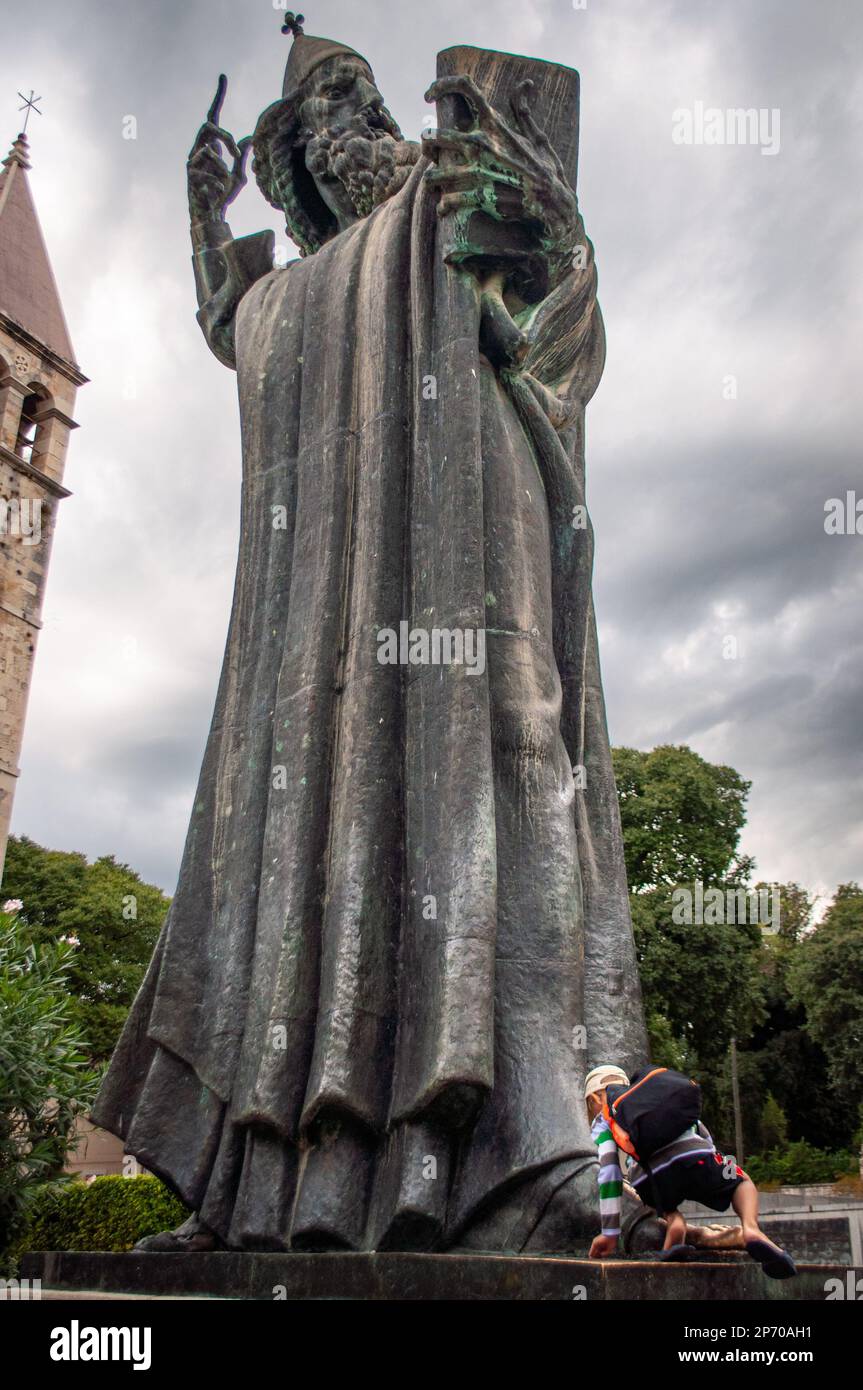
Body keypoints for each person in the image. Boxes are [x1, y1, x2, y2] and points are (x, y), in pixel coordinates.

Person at [584, 1064, 797, 1279]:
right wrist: (711, 1158)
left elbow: (609, 1174)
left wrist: (609, 1234)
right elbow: (699, 1129)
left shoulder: (604, 1120)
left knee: (659, 1199)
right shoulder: (650, 1095)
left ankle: (675, 1223)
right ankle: (751, 1228)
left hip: (649, 1177)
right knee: (742, 1181)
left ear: (593, 1098)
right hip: (695, 1155)